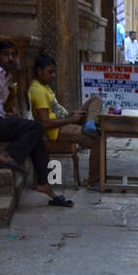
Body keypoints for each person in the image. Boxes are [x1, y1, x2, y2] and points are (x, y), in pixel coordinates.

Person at [0, 39, 72, 207]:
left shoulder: (6, 78)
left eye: (13, 55)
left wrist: (9, 111)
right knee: (37, 126)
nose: (10, 58)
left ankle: (43, 183)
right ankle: (7, 156)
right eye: (6, 54)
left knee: (36, 134)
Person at [28, 52, 103, 186]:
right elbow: (44, 123)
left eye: (54, 72)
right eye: (50, 72)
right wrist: (70, 120)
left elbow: (54, 111)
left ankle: (90, 123)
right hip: (57, 130)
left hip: (65, 121)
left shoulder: (44, 87)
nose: (53, 76)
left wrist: (70, 116)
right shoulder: (37, 91)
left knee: (96, 99)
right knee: (98, 140)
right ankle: (93, 181)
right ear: (39, 71)